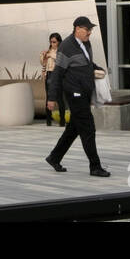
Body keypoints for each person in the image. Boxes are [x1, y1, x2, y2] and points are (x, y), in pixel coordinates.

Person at [44, 17, 110, 177]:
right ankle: (95, 166)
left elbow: (86, 63)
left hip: (85, 92)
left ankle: (54, 157)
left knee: (74, 128)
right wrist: (51, 98)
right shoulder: (66, 46)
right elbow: (58, 73)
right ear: (77, 29)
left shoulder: (86, 43)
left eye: (90, 29)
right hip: (75, 93)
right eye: (87, 29)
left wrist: (96, 68)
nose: (90, 32)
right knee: (88, 128)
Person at [40, 32, 66, 127]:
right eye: (51, 42)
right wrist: (43, 55)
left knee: (59, 98)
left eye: (54, 42)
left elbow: (62, 61)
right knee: (48, 97)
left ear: (59, 42)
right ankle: (48, 120)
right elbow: (43, 63)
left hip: (58, 75)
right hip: (49, 74)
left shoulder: (61, 51)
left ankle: (62, 120)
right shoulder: (48, 51)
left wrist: (51, 55)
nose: (52, 44)